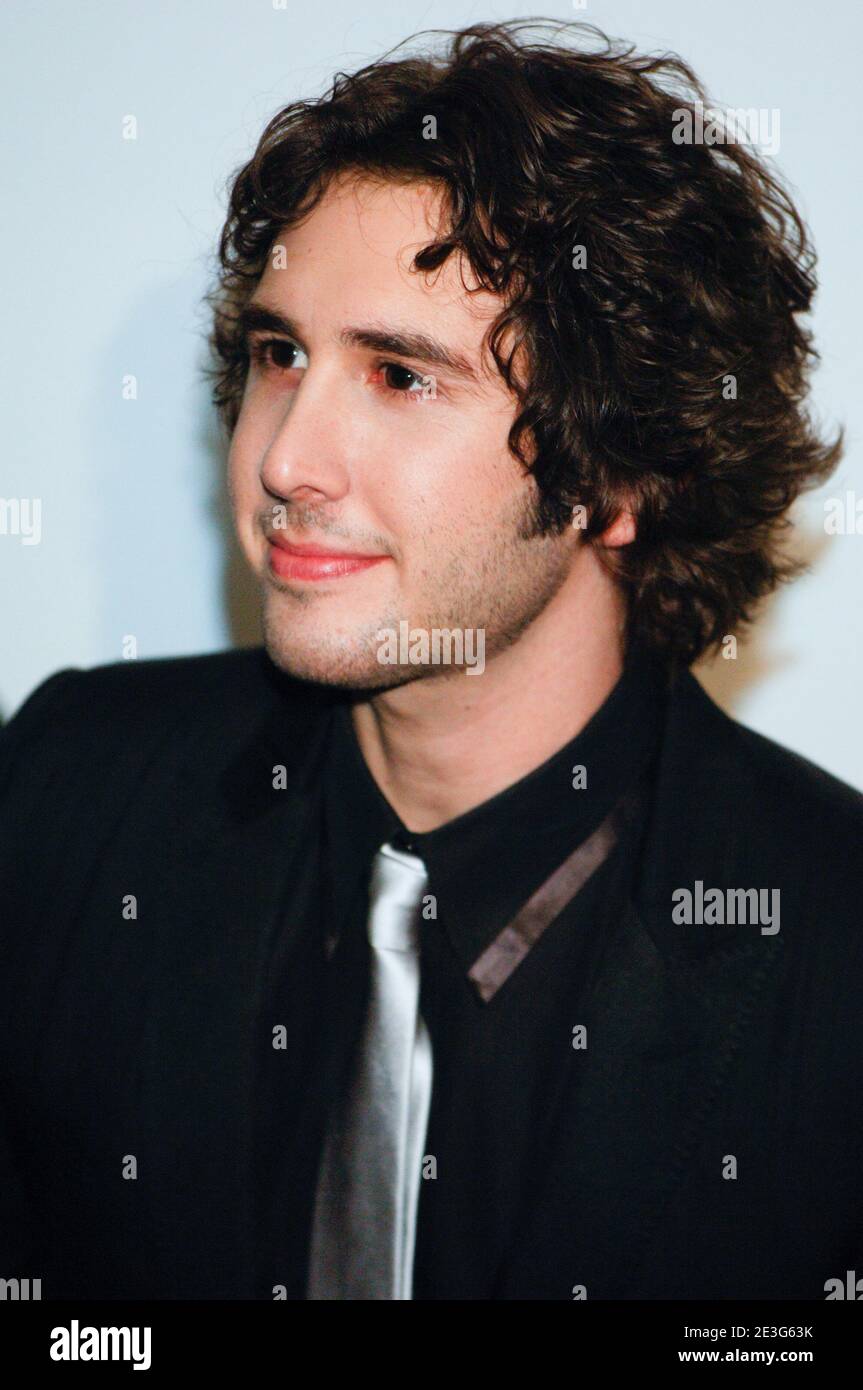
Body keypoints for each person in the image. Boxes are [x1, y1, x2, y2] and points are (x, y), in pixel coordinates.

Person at [2, 20, 861, 1302]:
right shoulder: (70, 793)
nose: (287, 457)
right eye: (279, 353)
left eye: (400, 376)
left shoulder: (829, 947)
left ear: (621, 475)